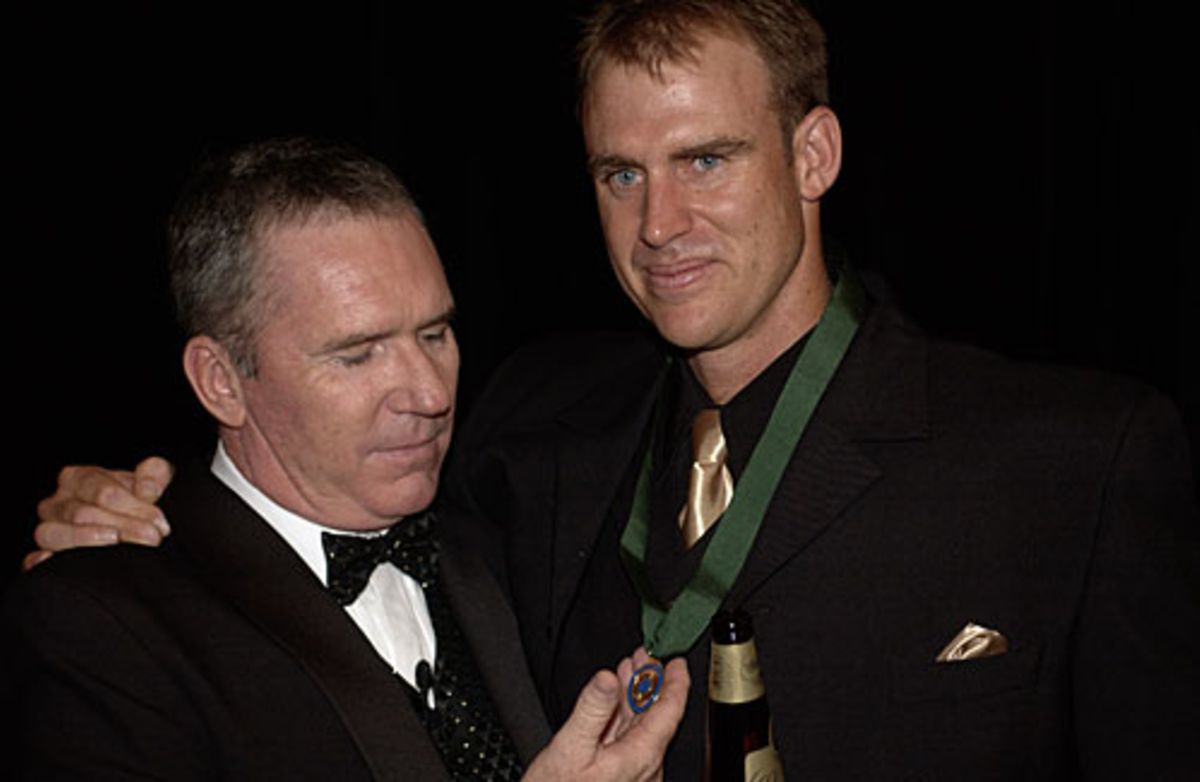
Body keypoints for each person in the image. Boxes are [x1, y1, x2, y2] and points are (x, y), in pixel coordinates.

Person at [29, 1, 1200, 778]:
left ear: (814, 155)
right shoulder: (527, 427)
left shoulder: (1075, 459)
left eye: (706, 159)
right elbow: (300, 482)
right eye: (619, 173)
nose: (660, 224)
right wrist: (148, 513)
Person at [5, 136, 689, 781]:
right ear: (221, 380)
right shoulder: (106, 625)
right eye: (357, 355)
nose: (429, 394)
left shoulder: (505, 542)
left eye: (435, 334)